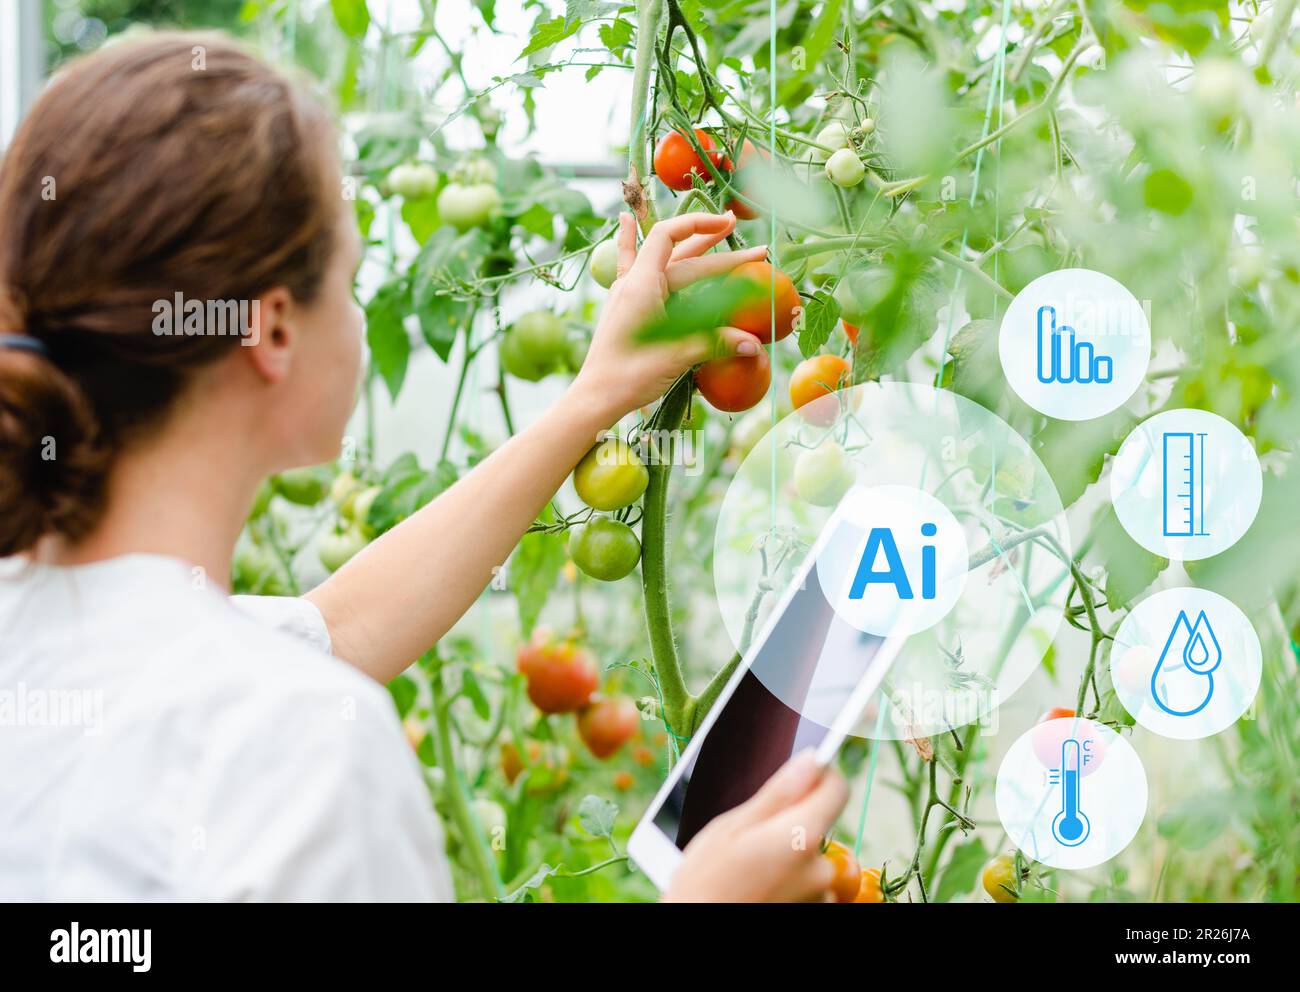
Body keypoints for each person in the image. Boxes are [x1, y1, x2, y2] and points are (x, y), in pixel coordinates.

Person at [0, 33, 847, 901]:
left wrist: (595, 395)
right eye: (353, 275)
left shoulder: (50, 635)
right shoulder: (306, 757)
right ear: (275, 332)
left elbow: (344, 630)